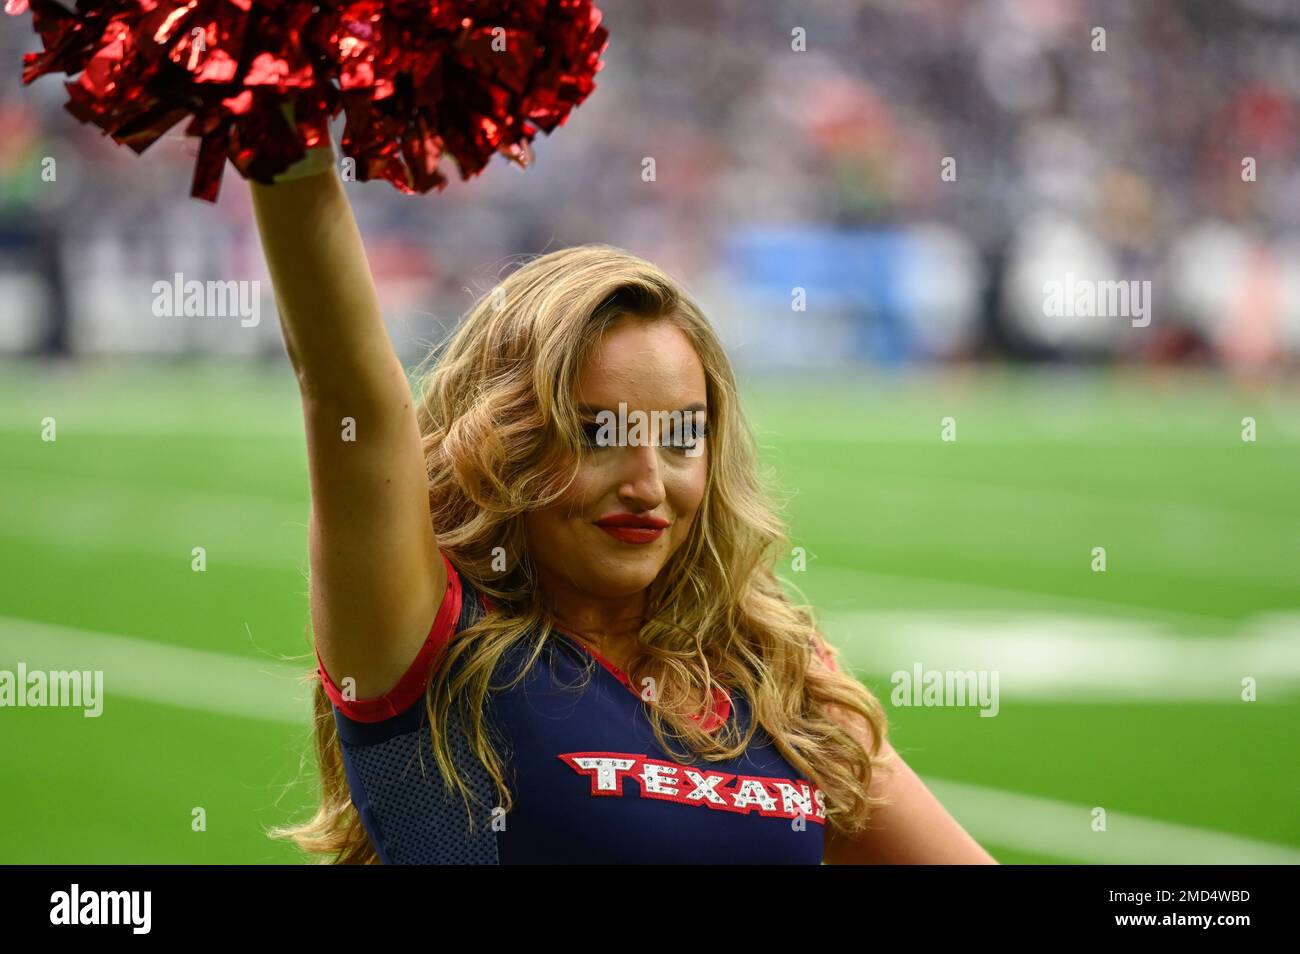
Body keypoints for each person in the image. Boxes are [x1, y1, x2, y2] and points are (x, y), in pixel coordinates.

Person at [250, 139, 997, 865]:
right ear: (505, 440)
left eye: (680, 437)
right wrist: (280, 125)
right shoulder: (426, 642)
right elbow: (345, 386)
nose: (647, 484)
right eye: (597, 433)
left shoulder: (774, 672)